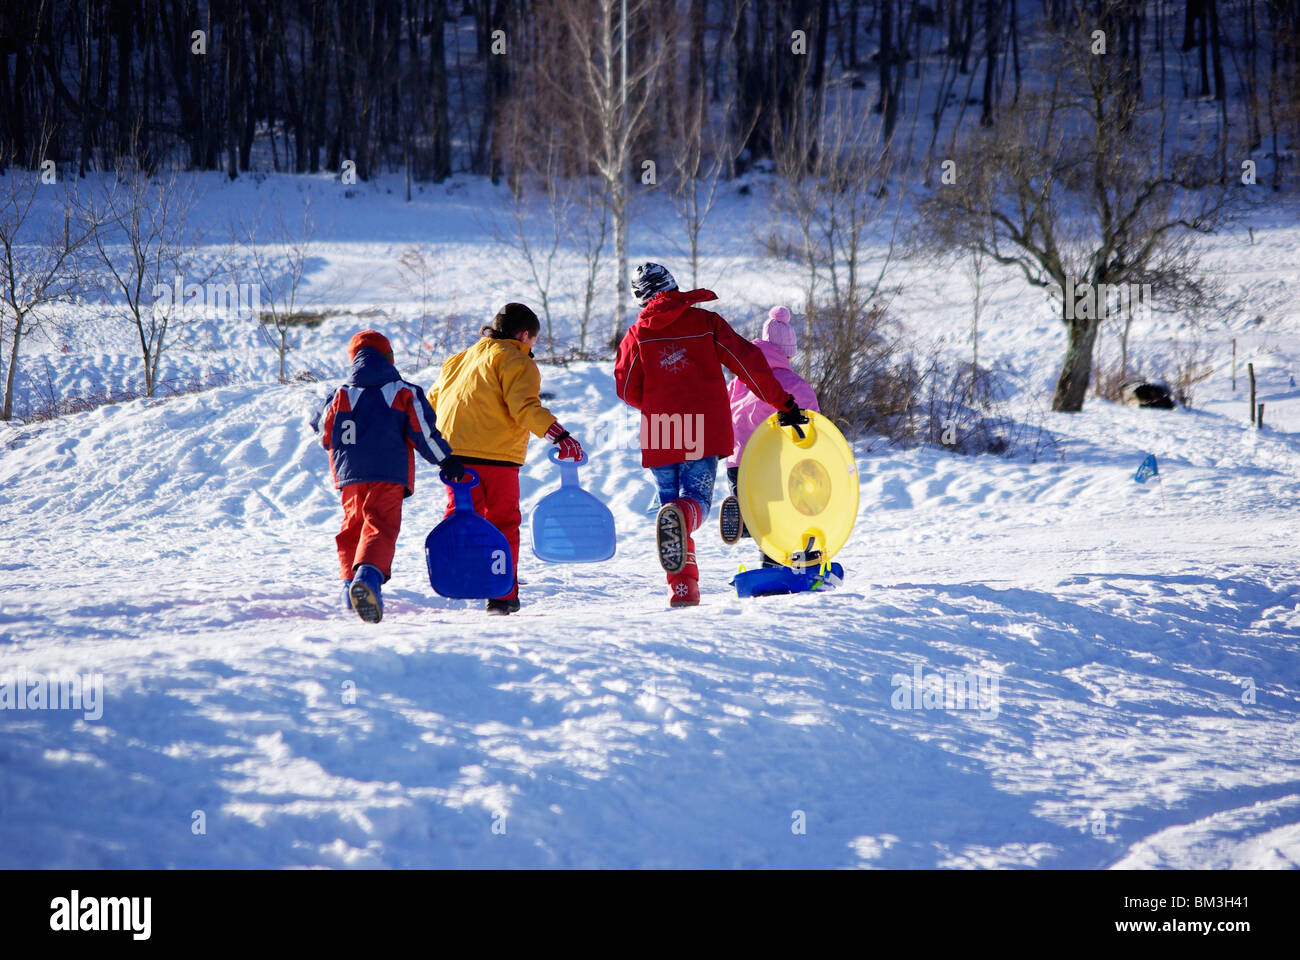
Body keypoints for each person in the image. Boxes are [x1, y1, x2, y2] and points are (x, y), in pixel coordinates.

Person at [614, 263, 806, 607]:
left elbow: (627, 388)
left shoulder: (636, 334)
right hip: (701, 426)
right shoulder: (706, 323)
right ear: (673, 286)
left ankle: (683, 588)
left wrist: (658, 403)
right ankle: (685, 518)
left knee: (668, 509)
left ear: (640, 297)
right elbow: (749, 365)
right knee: (695, 502)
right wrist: (784, 403)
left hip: (662, 428)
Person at [428, 302, 583, 615]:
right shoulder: (516, 359)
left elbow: (433, 400)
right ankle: (502, 594)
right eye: (533, 342)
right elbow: (524, 408)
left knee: (461, 517)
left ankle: (454, 577)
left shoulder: (459, 359)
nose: (532, 348)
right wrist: (560, 436)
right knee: (503, 523)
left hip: (454, 457)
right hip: (496, 457)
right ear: (525, 334)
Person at [311, 329, 464, 624]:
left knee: (352, 527)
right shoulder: (403, 391)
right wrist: (445, 460)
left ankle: (348, 589)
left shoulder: (339, 393)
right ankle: (367, 578)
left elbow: (323, 433)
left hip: (349, 474)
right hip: (388, 472)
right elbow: (422, 432)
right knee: (379, 525)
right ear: (388, 357)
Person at [720, 306, 821, 566]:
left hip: (738, 461)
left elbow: (724, 411)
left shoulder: (740, 381)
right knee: (782, 516)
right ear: (788, 353)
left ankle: (745, 522)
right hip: (776, 463)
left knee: (760, 514)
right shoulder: (795, 385)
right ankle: (773, 562)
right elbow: (815, 427)